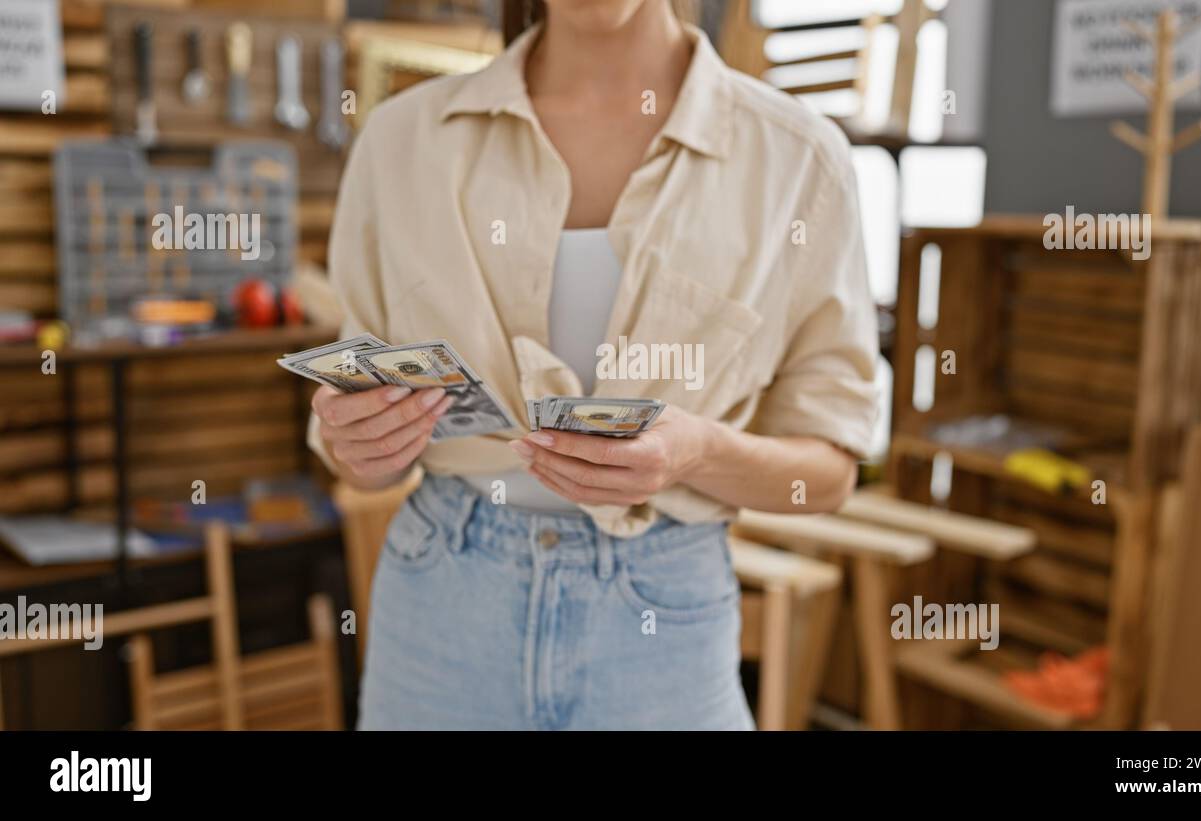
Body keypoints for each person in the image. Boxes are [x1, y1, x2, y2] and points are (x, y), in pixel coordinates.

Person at [308, 0, 878, 729]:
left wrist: (697, 452)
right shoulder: (401, 142)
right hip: (441, 614)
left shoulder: (800, 162)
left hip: (662, 622)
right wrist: (361, 444)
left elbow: (826, 475)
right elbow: (362, 461)